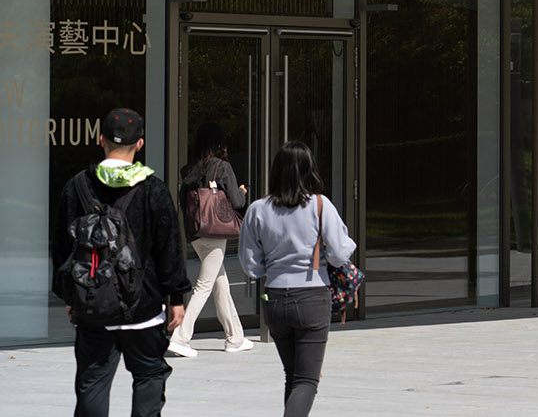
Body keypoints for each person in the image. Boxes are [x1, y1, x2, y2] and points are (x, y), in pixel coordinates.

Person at [50, 107, 192, 417]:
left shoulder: (76, 186)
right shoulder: (153, 188)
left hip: (92, 306)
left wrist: (70, 295)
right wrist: (177, 296)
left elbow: (62, 248)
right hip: (143, 307)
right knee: (149, 376)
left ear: (101, 140)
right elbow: (168, 248)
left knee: (92, 383)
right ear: (140, 144)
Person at [239, 140, 356, 416]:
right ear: (308, 170)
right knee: (306, 381)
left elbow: (251, 266)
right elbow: (341, 253)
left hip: (275, 299)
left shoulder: (258, 209)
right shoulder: (319, 205)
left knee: (292, 377)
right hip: (313, 296)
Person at [169, 123, 252, 357]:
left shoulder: (188, 170)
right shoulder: (222, 167)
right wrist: (243, 192)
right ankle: (180, 338)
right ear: (219, 144)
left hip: (196, 233)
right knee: (204, 285)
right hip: (215, 233)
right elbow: (236, 202)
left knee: (220, 282)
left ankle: (235, 337)